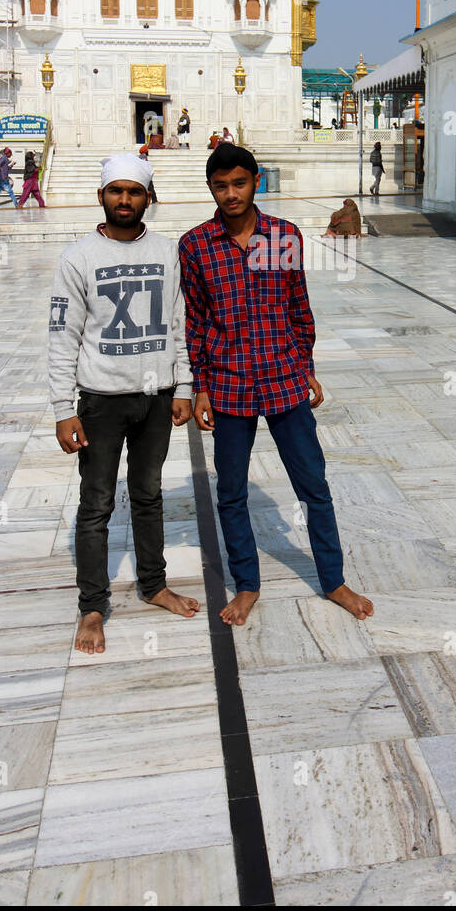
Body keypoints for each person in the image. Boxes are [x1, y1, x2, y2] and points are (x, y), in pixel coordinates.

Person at [178, 143, 374, 627]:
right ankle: (246, 584)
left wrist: (306, 364)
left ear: (255, 182)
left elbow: (297, 306)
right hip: (228, 384)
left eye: (239, 183)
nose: (230, 194)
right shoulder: (195, 244)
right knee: (231, 493)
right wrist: (200, 386)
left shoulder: (283, 236)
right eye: (220, 186)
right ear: (210, 188)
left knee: (314, 485)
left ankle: (332, 579)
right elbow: (197, 323)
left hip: (284, 378)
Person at [49, 153, 197, 655]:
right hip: (100, 402)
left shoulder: (168, 252)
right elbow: (63, 336)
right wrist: (61, 407)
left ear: (148, 199)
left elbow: (180, 321)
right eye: (117, 191)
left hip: (155, 399)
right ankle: (92, 606)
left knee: (149, 494)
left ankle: (153, 584)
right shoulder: (77, 258)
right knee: (96, 504)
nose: (126, 200)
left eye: (135, 191)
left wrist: (183, 388)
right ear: (102, 197)